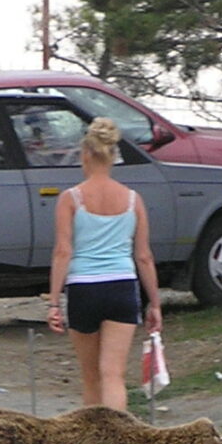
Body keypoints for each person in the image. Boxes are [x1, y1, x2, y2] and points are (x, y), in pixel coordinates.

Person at [45, 116, 163, 410]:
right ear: (113, 157)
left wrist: (54, 302)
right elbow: (144, 256)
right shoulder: (133, 200)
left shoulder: (71, 198)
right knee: (114, 376)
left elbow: (63, 250)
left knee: (90, 376)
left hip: (83, 287)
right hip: (122, 286)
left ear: (86, 154)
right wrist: (156, 303)